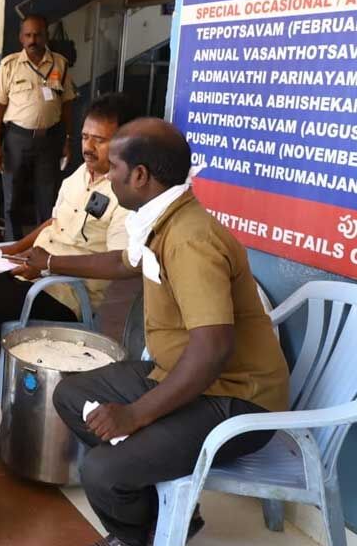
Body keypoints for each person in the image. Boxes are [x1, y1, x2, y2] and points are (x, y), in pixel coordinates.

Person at [32, 118, 289, 546]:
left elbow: (213, 349)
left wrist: (137, 414)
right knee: (71, 395)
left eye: (113, 166)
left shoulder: (189, 238)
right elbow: (121, 263)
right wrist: (50, 263)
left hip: (237, 399)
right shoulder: (162, 217)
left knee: (102, 472)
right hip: (184, 376)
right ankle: (168, 515)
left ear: (139, 175)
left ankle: (140, 536)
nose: (106, 173)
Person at [0, 93, 138, 392]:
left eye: (99, 140)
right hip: (39, 271)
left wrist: (49, 264)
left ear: (124, 144)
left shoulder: (125, 195)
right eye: (84, 137)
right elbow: (52, 225)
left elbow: (121, 261)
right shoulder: (76, 177)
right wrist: (9, 250)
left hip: (67, 293)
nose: (88, 148)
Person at [0, 14, 76, 239]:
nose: (33, 40)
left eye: (38, 34)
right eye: (28, 35)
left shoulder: (60, 64)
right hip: (16, 139)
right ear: (21, 37)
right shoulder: (9, 66)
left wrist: (67, 139)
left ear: (46, 36)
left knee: (47, 198)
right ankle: (12, 247)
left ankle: (43, 244)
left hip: (50, 140)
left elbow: (67, 104)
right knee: (12, 200)